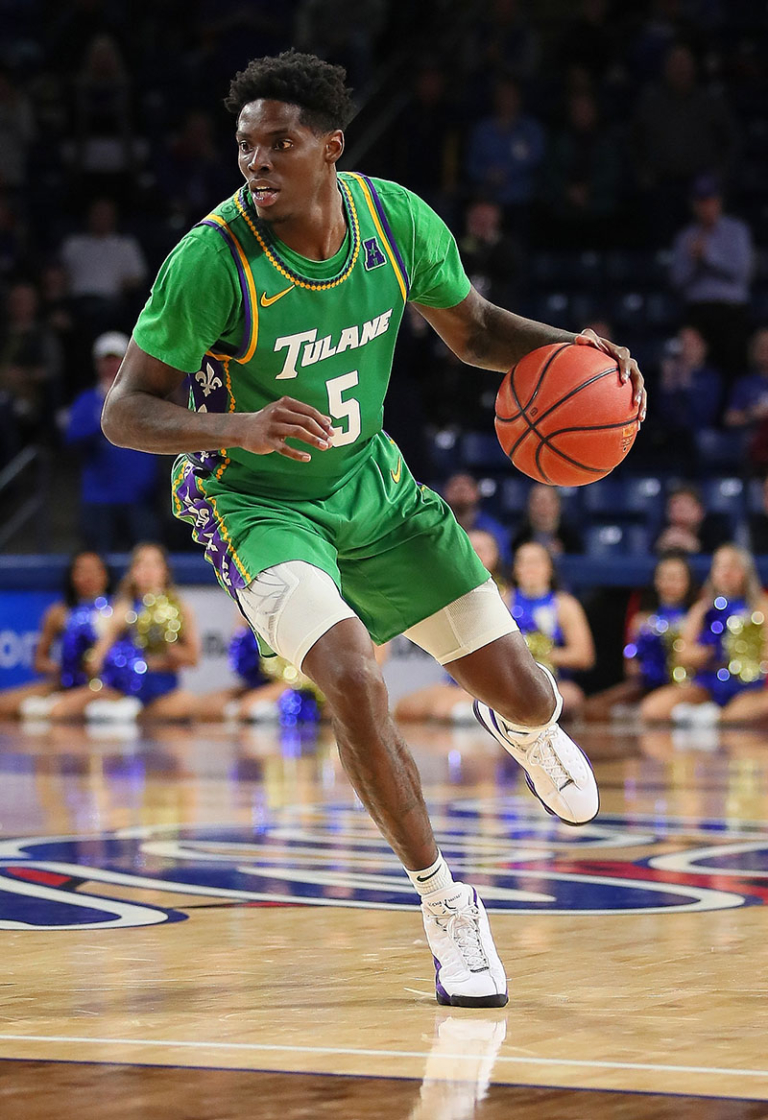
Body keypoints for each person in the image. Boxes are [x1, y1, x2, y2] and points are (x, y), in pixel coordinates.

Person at [100, 51, 645, 1009]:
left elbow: (472, 331)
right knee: (351, 671)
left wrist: (572, 350)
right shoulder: (210, 261)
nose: (257, 164)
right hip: (257, 504)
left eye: (280, 144)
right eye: (245, 146)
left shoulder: (394, 223)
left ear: (331, 149)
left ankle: (524, 722)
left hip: (375, 489)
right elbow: (126, 412)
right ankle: (445, 906)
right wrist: (233, 424)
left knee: (522, 692)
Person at [49, 543, 200, 721]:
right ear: (133, 572)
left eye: (155, 565)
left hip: (159, 693)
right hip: (119, 690)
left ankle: (132, 715)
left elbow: (192, 658)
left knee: (190, 706)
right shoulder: (120, 609)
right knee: (59, 711)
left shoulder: (180, 609)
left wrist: (162, 644)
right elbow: (95, 662)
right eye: (141, 565)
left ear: (165, 571)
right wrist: (115, 634)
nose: (148, 571)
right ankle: (122, 714)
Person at [639, 544, 768, 724]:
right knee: (652, 708)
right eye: (721, 567)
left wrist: (741, 654)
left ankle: (716, 719)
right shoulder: (702, 609)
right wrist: (711, 651)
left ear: (746, 573)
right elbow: (683, 655)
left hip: (747, 689)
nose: (726, 573)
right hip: (707, 686)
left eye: (733, 567)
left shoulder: (761, 608)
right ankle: (715, 717)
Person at [394, 528, 508, 724]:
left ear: (496, 556)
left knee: (443, 710)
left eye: (483, 549)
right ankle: (478, 714)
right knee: (404, 708)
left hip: (497, 682)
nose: (476, 554)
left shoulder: (509, 596)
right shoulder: (442, 595)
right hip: (455, 682)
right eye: (470, 548)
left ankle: (488, 715)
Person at [65, 330, 160, 551]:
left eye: (116, 359)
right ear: (97, 364)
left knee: (146, 559)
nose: (111, 365)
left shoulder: (147, 397)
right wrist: (108, 409)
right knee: (100, 561)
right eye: (105, 360)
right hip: (99, 499)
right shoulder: (87, 400)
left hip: (140, 498)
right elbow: (72, 439)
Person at [583, 551, 696, 721]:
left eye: (676, 578)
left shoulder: (696, 617)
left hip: (684, 686)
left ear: (687, 582)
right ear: (656, 581)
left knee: (650, 711)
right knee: (591, 709)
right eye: (664, 577)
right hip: (644, 685)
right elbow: (631, 667)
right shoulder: (642, 621)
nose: (669, 583)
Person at [0, 550, 113, 720]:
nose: (88, 577)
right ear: (72, 576)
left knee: (58, 711)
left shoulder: (118, 610)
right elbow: (40, 662)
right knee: (3, 705)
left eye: (94, 570)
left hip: (106, 686)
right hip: (66, 683)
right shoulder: (58, 612)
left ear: (105, 575)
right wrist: (66, 670)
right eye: (81, 571)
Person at [669, 176, 753, 377]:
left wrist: (709, 256)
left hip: (732, 311)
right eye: (700, 202)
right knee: (692, 362)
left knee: (734, 364)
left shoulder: (736, 231)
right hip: (698, 311)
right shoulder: (685, 237)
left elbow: (743, 272)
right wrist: (694, 262)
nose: (705, 207)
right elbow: (676, 281)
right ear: (693, 205)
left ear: (719, 201)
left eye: (710, 201)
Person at [442, 472, 511, 567]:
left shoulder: (493, 529)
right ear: (445, 492)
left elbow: (504, 562)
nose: (460, 493)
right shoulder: (437, 525)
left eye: (464, 489)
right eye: (455, 488)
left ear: (476, 493)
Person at [653, 484, 729, 555]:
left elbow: (724, 558)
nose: (678, 514)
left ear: (700, 511)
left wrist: (696, 548)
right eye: (673, 508)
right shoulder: (662, 529)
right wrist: (661, 548)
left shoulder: (716, 529)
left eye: (683, 509)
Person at [511, 483, 583, 555]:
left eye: (548, 501)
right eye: (538, 502)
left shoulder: (572, 540)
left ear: (559, 505)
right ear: (529, 506)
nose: (543, 508)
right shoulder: (518, 539)